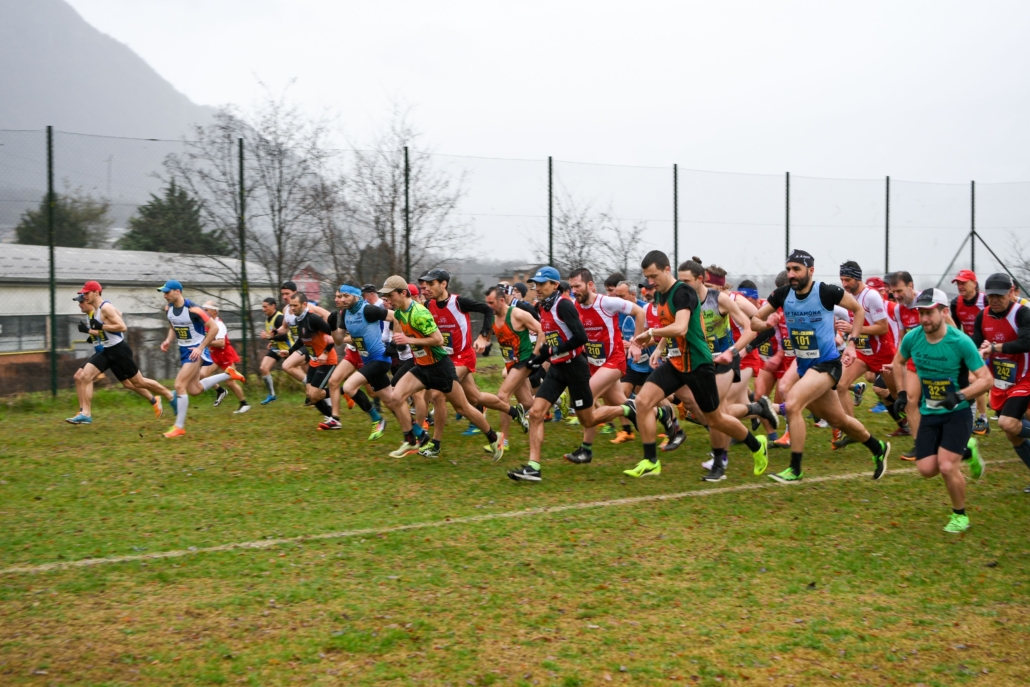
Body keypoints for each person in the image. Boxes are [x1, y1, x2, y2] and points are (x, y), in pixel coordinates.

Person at [622, 252, 770, 480]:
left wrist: (651, 333)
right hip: (678, 362)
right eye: (647, 277)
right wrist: (654, 344)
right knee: (642, 401)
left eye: (654, 276)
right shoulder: (661, 296)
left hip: (700, 364)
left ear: (666, 269)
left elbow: (680, 328)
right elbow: (670, 327)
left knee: (716, 418)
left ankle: (756, 445)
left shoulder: (684, 293)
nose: (650, 282)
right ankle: (650, 461)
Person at [750, 250, 890, 482]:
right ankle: (878, 448)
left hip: (827, 364)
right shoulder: (783, 294)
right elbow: (754, 321)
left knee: (793, 403)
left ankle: (795, 469)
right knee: (839, 420)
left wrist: (852, 343)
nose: (792, 274)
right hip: (806, 366)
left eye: (797, 269)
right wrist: (767, 321)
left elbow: (858, 310)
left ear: (810, 271)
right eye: (789, 269)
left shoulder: (826, 291)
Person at [506, 267, 638, 482]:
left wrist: (554, 351)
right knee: (537, 413)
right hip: (557, 369)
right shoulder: (541, 307)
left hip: (575, 368)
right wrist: (535, 361)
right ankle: (533, 467)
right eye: (535, 284)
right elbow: (551, 341)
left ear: (555, 285)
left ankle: (626, 408)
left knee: (589, 419)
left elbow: (581, 337)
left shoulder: (564, 305)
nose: (537, 288)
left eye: (542, 284)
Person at [892, 288, 990, 533]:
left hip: (958, 412)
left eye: (930, 313)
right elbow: (898, 362)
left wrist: (959, 396)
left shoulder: (960, 342)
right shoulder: (913, 338)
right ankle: (967, 449)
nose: (924, 318)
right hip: (930, 412)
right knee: (926, 469)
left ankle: (960, 515)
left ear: (944, 312)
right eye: (921, 313)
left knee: (947, 466)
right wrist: (902, 393)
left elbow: (986, 380)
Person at [376, 276, 505, 460]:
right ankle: (413, 439)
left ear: (403, 293)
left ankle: (494, 437)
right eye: (385, 296)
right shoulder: (399, 313)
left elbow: (437, 339)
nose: (387, 300)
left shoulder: (420, 313)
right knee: (395, 397)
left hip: (440, 368)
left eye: (390, 295)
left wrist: (409, 340)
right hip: (421, 367)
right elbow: (390, 320)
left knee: (463, 408)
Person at [680, 260, 777, 480]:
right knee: (721, 410)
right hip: (711, 359)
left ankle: (721, 458)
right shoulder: (692, 301)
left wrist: (743, 349)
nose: (708, 293)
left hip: (740, 356)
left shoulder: (733, 300)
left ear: (723, 288)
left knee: (719, 411)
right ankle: (759, 409)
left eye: (714, 289)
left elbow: (760, 328)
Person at [562, 268, 661, 465]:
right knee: (619, 401)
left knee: (587, 397)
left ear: (590, 285)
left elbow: (639, 312)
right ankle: (662, 415)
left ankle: (586, 449)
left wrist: (635, 343)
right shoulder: (574, 306)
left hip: (614, 360)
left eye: (578, 286)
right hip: (593, 363)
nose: (574, 291)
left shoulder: (606, 302)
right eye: (572, 287)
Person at [421, 268, 526, 455]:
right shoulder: (429, 305)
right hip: (445, 358)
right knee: (474, 399)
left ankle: (435, 444)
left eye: (431, 284)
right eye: (426, 284)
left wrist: (483, 336)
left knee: (438, 394)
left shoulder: (459, 302)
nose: (427, 287)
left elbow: (486, 310)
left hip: (463, 356)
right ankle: (514, 411)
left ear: (443, 284)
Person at [65, 281, 174, 424]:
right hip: (107, 351)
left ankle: (167, 395)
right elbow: (117, 315)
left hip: (118, 350)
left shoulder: (103, 308)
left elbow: (121, 326)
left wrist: (99, 329)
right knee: (84, 376)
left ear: (95, 293)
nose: (82, 300)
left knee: (138, 382)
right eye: (82, 296)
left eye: (85, 295)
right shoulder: (96, 311)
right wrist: (95, 333)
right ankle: (85, 413)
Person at [158, 280, 244, 438]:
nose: (165, 295)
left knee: (179, 385)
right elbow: (173, 327)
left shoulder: (194, 309)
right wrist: (168, 341)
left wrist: (200, 347)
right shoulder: (168, 309)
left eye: (167, 292)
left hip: (195, 350)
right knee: (194, 389)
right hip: (183, 350)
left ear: (177, 291)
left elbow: (214, 328)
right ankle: (228, 374)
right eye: (164, 292)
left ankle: (179, 427)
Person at [320, 283, 405, 439]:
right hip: (368, 360)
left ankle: (377, 419)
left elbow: (396, 316)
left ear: (356, 296)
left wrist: (395, 342)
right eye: (341, 296)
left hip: (380, 359)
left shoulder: (368, 309)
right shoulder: (346, 314)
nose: (343, 299)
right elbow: (338, 341)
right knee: (390, 400)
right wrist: (332, 327)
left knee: (349, 387)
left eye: (346, 296)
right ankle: (415, 431)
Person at [971, 273, 1030, 493]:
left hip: (1025, 377)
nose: (995, 300)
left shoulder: (1022, 313)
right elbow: (975, 345)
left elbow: (1026, 342)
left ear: (1011, 292)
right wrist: (980, 350)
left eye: (1000, 295)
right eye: (991, 295)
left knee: (1007, 423)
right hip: (1001, 382)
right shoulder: (982, 316)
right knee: (1013, 434)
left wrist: (995, 347)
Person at [832, 261, 897, 449]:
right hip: (862, 353)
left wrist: (854, 328)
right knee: (841, 384)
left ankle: (915, 425)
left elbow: (883, 327)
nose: (844, 284)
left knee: (897, 396)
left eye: (848, 280)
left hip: (883, 352)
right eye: (842, 279)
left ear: (857, 278)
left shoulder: (871, 296)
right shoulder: (848, 296)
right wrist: (848, 334)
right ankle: (853, 429)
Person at [480, 285, 544, 441]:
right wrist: (481, 343)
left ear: (501, 300)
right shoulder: (492, 318)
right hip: (510, 363)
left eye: (491, 303)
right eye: (487, 303)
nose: (489, 307)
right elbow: (485, 338)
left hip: (523, 361)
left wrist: (534, 356)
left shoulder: (518, 314)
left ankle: (503, 440)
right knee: (527, 403)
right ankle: (553, 398)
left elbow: (542, 331)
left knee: (503, 395)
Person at [283, 292, 338, 423]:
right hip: (314, 361)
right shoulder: (298, 319)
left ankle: (344, 391)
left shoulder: (313, 318)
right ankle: (331, 418)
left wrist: (325, 353)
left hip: (327, 360)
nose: (292, 308)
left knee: (314, 394)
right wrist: (290, 351)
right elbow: (302, 340)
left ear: (305, 304)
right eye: (291, 305)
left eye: (295, 305)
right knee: (311, 395)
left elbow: (333, 336)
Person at [950, 269, 990, 435]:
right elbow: (956, 328)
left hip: (989, 346)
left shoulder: (985, 300)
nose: (960, 286)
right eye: (958, 283)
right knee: (971, 379)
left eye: (964, 283)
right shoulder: (955, 303)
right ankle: (981, 419)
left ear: (974, 283)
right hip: (971, 348)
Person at [200, 301, 251, 414]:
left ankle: (244, 404)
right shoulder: (209, 324)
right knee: (202, 374)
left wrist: (207, 342)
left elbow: (222, 343)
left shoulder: (219, 325)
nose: (204, 312)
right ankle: (220, 390)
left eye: (206, 310)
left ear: (214, 311)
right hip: (215, 355)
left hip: (224, 354)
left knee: (230, 382)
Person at [257, 296, 293, 405]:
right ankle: (272, 395)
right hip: (276, 348)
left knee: (298, 372)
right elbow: (274, 336)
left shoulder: (279, 318)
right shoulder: (268, 319)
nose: (263, 309)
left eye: (265, 307)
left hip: (287, 348)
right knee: (263, 368)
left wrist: (268, 337)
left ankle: (313, 393)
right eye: (262, 307)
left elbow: (284, 337)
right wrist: (271, 341)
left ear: (273, 306)